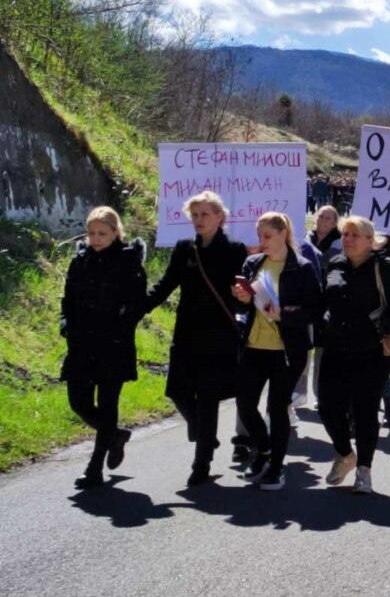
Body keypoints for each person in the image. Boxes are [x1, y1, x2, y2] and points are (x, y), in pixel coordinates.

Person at [144, 191, 247, 487]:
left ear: (220, 217)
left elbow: (243, 295)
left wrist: (243, 298)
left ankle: (201, 463)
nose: (199, 220)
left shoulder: (235, 250)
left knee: (208, 399)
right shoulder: (184, 249)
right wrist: (137, 309)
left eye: (205, 214)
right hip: (187, 331)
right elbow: (165, 285)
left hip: (219, 335)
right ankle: (204, 434)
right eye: (195, 214)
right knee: (177, 391)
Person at [318, 216, 390, 495]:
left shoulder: (387, 268)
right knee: (328, 407)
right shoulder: (334, 264)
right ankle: (346, 454)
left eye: (355, 235)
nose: (348, 239)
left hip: (371, 352)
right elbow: (326, 299)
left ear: (370, 240)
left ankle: (364, 470)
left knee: (365, 410)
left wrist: (382, 328)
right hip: (335, 347)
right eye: (345, 234)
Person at [231, 213, 322, 490]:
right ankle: (265, 449)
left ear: (284, 233)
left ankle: (277, 467)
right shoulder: (252, 263)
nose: (262, 242)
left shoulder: (302, 268)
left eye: (267, 236)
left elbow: (316, 310)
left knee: (277, 408)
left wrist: (285, 314)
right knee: (245, 404)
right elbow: (243, 308)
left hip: (287, 349)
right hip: (254, 346)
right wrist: (243, 299)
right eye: (259, 236)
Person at [60, 207, 146, 489]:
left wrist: (120, 326)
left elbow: (136, 306)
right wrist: (66, 324)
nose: (95, 239)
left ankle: (94, 468)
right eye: (91, 233)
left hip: (113, 345)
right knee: (78, 402)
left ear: (115, 233)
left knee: (108, 405)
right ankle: (115, 435)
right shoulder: (80, 260)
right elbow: (67, 299)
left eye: (102, 233)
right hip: (81, 343)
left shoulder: (129, 261)